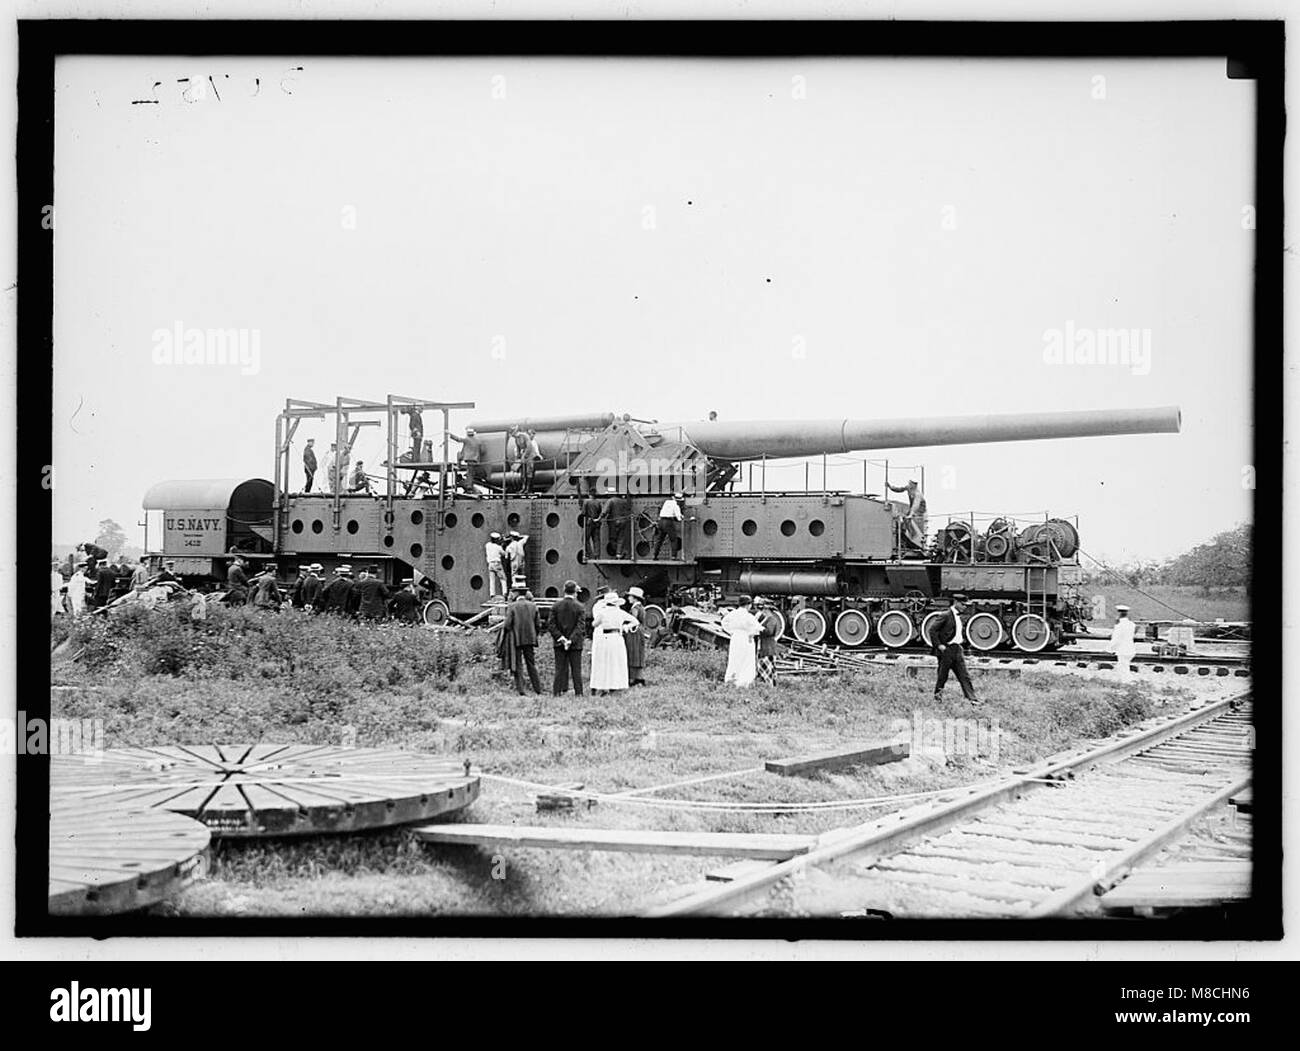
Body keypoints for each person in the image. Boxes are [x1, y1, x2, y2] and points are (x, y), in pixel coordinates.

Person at [930, 593, 982, 706]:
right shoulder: (945, 615)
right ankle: (937, 698)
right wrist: (939, 645)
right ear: (956, 603)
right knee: (942, 676)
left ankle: (972, 699)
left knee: (964, 676)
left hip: (957, 649)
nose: (965, 607)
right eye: (963, 604)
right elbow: (932, 630)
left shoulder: (958, 616)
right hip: (947, 650)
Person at [589, 590, 640, 695]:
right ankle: (615, 685)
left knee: (605, 662)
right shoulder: (620, 612)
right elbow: (635, 621)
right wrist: (626, 627)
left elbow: (594, 624)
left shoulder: (602, 613)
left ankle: (603, 686)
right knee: (616, 662)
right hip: (617, 638)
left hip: (605, 638)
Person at [548, 580, 586, 696]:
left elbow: (551, 625)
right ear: (575, 592)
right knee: (576, 670)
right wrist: (571, 640)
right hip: (575, 644)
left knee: (559, 668)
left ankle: (557, 692)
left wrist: (561, 638)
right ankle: (578, 693)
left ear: (564, 590)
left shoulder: (555, 606)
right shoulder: (580, 607)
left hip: (559, 643)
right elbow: (580, 626)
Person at [503, 587, 542, 694]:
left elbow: (507, 625)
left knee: (518, 665)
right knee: (531, 664)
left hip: (516, 639)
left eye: (513, 592)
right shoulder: (533, 606)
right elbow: (538, 625)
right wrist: (534, 635)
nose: (511, 594)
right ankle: (538, 689)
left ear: (517, 593)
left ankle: (521, 691)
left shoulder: (512, 606)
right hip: (530, 639)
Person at [721, 596, 765, 687]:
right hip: (746, 638)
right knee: (746, 659)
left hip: (735, 637)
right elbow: (757, 627)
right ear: (748, 605)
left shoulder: (733, 614)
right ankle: (744, 681)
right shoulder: (748, 616)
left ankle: (731, 679)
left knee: (734, 658)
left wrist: (731, 632)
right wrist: (753, 633)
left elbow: (724, 622)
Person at [887, 478, 928, 551]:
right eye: (909, 483)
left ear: (914, 485)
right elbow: (899, 489)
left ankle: (919, 545)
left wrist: (911, 514)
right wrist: (890, 487)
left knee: (916, 529)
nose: (909, 484)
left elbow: (916, 505)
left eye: (911, 483)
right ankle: (907, 542)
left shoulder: (917, 494)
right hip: (912, 510)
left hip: (920, 512)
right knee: (905, 522)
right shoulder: (908, 488)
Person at [623, 586, 649, 686]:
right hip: (641, 631)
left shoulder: (634, 608)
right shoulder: (641, 607)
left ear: (634, 598)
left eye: (630, 596)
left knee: (633, 653)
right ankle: (639, 677)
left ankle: (633, 678)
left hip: (634, 632)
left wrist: (625, 626)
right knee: (639, 653)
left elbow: (633, 620)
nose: (628, 598)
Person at [755, 597, 783, 685]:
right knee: (766, 669)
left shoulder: (772, 619)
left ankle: (768, 685)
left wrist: (759, 629)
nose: (762, 611)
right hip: (766, 646)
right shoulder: (767, 619)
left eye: (763, 609)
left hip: (768, 647)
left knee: (766, 669)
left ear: (767, 609)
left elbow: (769, 631)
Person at [1107, 604, 1138, 680]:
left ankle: (1127, 682)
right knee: (1124, 667)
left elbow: (1116, 639)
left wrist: (1109, 649)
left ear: (1119, 615)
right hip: (1130, 649)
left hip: (1122, 650)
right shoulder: (1132, 624)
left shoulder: (1119, 626)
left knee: (1123, 669)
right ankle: (1127, 680)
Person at [652, 491, 685, 560]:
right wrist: (682, 517)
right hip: (668, 522)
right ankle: (674, 556)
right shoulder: (676, 506)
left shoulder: (667, 502)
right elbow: (679, 518)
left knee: (659, 539)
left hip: (661, 521)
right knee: (673, 539)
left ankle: (655, 555)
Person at [601, 489, 632, 559]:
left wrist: (599, 518)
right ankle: (619, 554)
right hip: (623, 521)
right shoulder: (622, 501)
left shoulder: (610, 501)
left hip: (614, 522)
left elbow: (604, 512)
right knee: (621, 538)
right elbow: (628, 508)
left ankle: (619, 551)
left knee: (612, 539)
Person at [581, 482, 605, 557]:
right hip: (597, 522)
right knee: (596, 539)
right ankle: (597, 555)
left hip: (589, 522)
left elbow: (583, 513)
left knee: (585, 538)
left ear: (589, 494)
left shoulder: (586, 502)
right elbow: (600, 512)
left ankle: (589, 553)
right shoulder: (598, 502)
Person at [485, 532, 508, 598]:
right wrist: (503, 545)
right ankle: (505, 593)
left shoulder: (487, 545)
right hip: (497, 564)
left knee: (492, 579)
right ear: (495, 540)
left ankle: (492, 594)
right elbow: (504, 554)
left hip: (490, 564)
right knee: (503, 579)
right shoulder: (498, 547)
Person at [520, 428, 542, 493]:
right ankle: (523, 488)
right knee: (523, 475)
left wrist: (539, 456)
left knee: (530, 475)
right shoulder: (524, 442)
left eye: (532, 434)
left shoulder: (534, 442)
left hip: (531, 460)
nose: (531, 436)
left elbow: (536, 451)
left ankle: (528, 489)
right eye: (530, 434)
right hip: (524, 460)